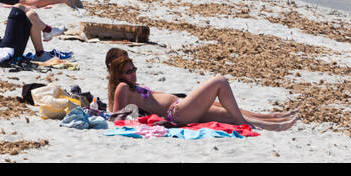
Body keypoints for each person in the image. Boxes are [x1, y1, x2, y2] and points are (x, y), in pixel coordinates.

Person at [106, 50, 297, 130]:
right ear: (119, 75)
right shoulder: (122, 88)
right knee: (220, 82)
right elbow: (117, 117)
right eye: (128, 72)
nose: (133, 74)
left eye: (134, 69)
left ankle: (273, 121)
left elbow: (152, 98)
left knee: (227, 112)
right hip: (177, 112)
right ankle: (246, 124)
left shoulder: (131, 87)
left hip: (180, 106)